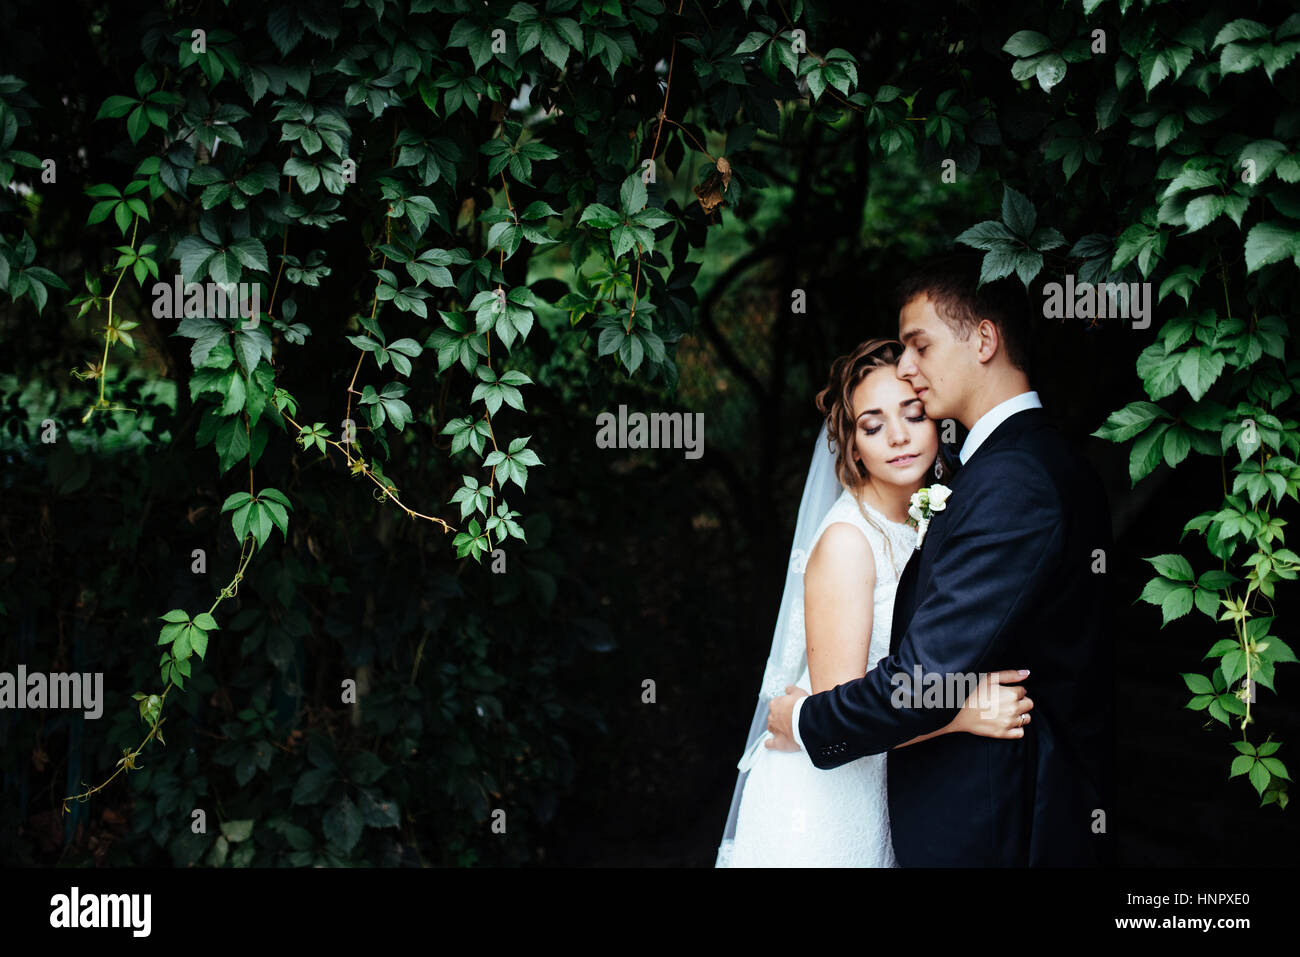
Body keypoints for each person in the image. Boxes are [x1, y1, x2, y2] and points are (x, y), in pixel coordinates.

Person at [764, 256, 1115, 867]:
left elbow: (922, 678)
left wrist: (807, 722)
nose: (907, 368)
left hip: (1002, 821)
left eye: (919, 346)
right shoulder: (1021, 464)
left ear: (984, 339)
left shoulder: (1012, 479)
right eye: (873, 425)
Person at [716, 336, 1033, 868]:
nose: (899, 437)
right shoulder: (847, 542)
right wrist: (962, 713)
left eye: (913, 414)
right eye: (872, 424)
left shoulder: (933, 516)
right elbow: (838, 715)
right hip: (824, 801)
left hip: (884, 786)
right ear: (852, 443)